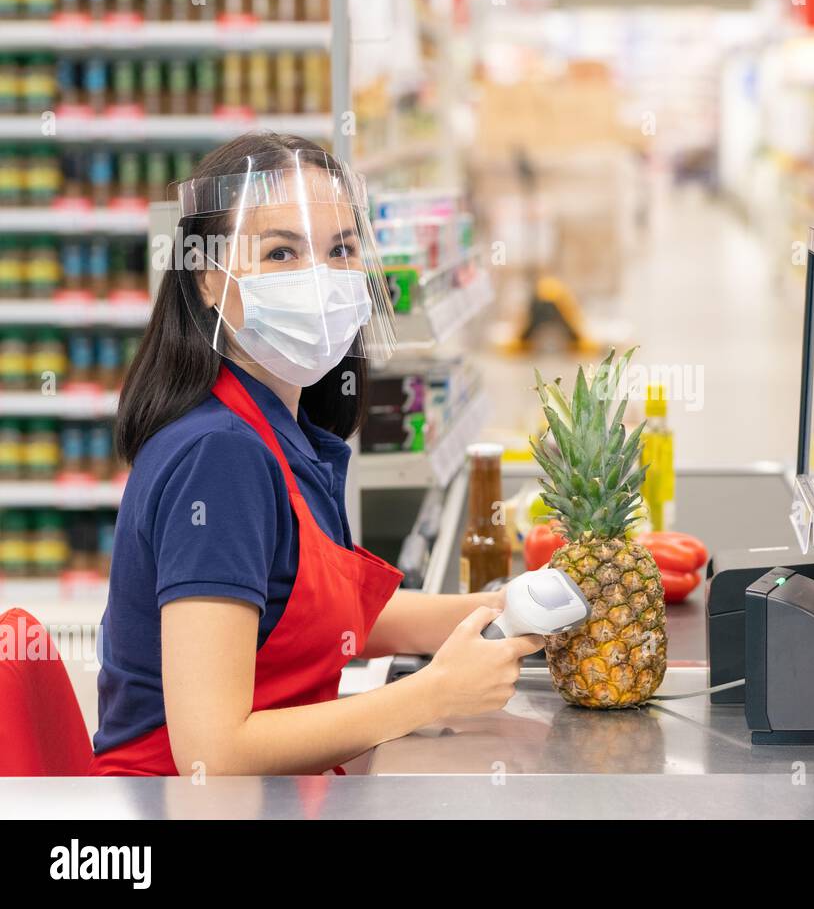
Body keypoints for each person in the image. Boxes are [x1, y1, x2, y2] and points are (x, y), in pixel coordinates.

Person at [92, 132, 542, 776]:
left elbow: (312, 612)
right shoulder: (220, 459)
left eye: (341, 250)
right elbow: (212, 754)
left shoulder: (279, 428)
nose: (321, 279)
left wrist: (501, 613)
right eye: (281, 252)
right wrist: (432, 695)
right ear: (210, 279)